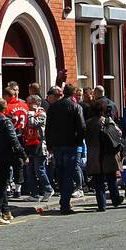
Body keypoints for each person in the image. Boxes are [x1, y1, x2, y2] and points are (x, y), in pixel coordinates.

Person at [46, 84, 86, 214]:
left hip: (57, 145)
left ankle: (63, 201)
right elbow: (81, 127)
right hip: (71, 145)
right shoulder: (76, 107)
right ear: (73, 94)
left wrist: (49, 145)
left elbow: (48, 128)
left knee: (61, 173)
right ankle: (65, 204)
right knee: (68, 175)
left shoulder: (53, 107)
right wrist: (79, 142)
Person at [84, 99, 124, 211]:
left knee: (98, 182)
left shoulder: (88, 123)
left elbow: (84, 137)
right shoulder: (107, 120)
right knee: (111, 179)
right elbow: (119, 133)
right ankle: (115, 199)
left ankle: (102, 205)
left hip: (94, 155)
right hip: (108, 154)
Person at [22, 94, 52, 202]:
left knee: (39, 170)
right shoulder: (29, 113)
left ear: (37, 103)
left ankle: (48, 189)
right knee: (30, 171)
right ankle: (34, 194)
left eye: (30, 103)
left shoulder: (41, 113)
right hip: (29, 145)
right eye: (27, 103)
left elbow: (32, 123)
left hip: (39, 146)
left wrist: (30, 113)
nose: (28, 105)